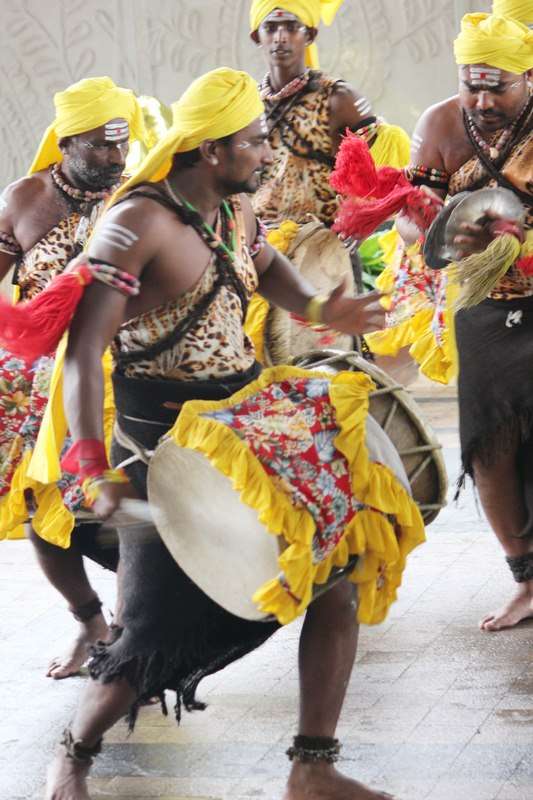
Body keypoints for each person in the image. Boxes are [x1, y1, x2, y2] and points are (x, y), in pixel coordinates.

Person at [41, 67, 425, 800]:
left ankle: (311, 768)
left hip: (242, 431)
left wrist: (323, 308)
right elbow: (85, 350)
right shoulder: (135, 224)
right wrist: (90, 457)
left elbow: (265, 264)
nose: (266, 154)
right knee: (146, 641)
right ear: (210, 150)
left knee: (334, 578)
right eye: (253, 142)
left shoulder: (235, 210)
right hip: (161, 449)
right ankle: (73, 754)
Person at [381, 12, 533, 631]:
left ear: (528, 75)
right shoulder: (441, 123)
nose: (483, 99)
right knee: (491, 444)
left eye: (498, 85)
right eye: (473, 84)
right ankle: (524, 578)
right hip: (483, 307)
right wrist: (442, 227)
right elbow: (409, 215)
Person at [0, 76, 145, 678]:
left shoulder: (140, 199)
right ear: (65, 142)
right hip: (35, 381)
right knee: (42, 509)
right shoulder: (24, 200)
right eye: (101, 147)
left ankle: (135, 627)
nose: (116, 159)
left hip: (123, 363)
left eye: (123, 145)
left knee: (126, 499)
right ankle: (90, 621)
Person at [245, 0, 411, 362]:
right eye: (272, 28)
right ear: (257, 36)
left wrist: (356, 225)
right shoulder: (248, 105)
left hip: (320, 247)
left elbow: (380, 173)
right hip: (258, 247)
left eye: (291, 27)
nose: (281, 37)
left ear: (310, 34)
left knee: (324, 365)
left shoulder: (338, 98)